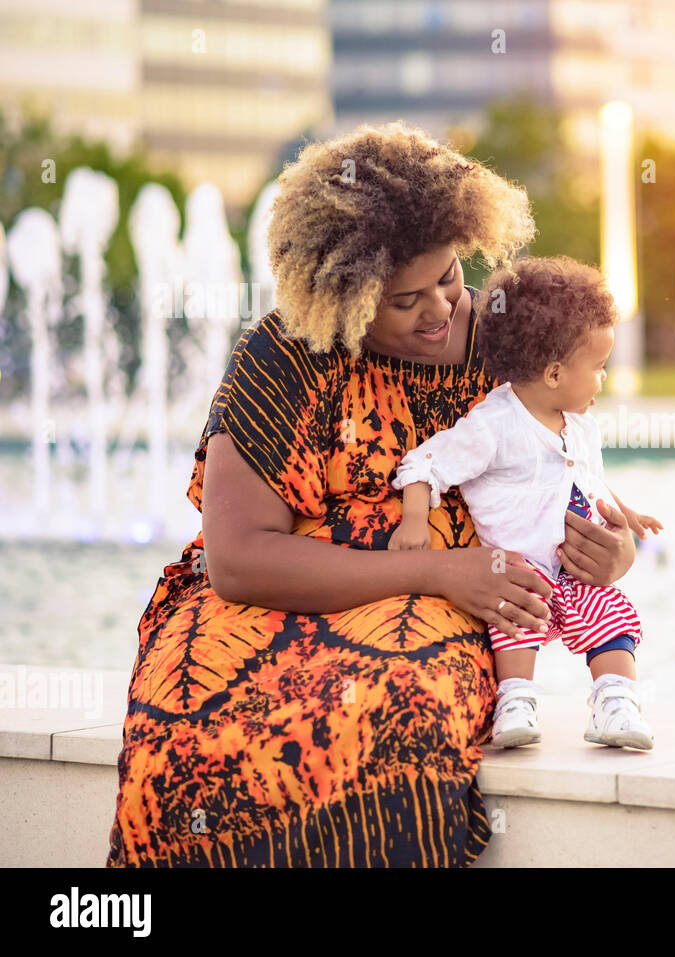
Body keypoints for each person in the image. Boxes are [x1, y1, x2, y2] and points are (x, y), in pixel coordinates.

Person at [106, 121, 639, 867]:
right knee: (194, 723)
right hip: (268, 602)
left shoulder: (510, 340)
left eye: (449, 277)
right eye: (404, 299)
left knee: (398, 713)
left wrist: (611, 551)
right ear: (343, 296)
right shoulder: (283, 356)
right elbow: (236, 561)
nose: (441, 310)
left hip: (441, 612)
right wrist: (433, 567)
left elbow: (572, 469)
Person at [388, 256, 663, 751]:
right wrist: (413, 521)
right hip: (515, 571)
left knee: (614, 620)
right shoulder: (495, 425)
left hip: (573, 571)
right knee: (514, 629)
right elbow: (426, 463)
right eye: (598, 369)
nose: (603, 381)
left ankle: (616, 700)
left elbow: (589, 479)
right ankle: (516, 700)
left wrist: (630, 516)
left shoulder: (579, 424)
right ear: (555, 373)